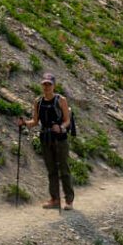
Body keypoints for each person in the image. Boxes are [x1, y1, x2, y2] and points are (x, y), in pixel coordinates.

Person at [20, 72, 74, 209]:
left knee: (64, 169)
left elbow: (67, 120)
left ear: (54, 85)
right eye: (44, 84)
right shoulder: (38, 102)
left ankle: (69, 200)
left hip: (60, 139)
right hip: (45, 138)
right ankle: (55, 199)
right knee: (51, 170)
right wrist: (24, 123)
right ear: (42, 85)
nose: (46, 87)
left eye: (49, 84)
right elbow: (35, 121)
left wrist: (61, 127)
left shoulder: (61, 100)